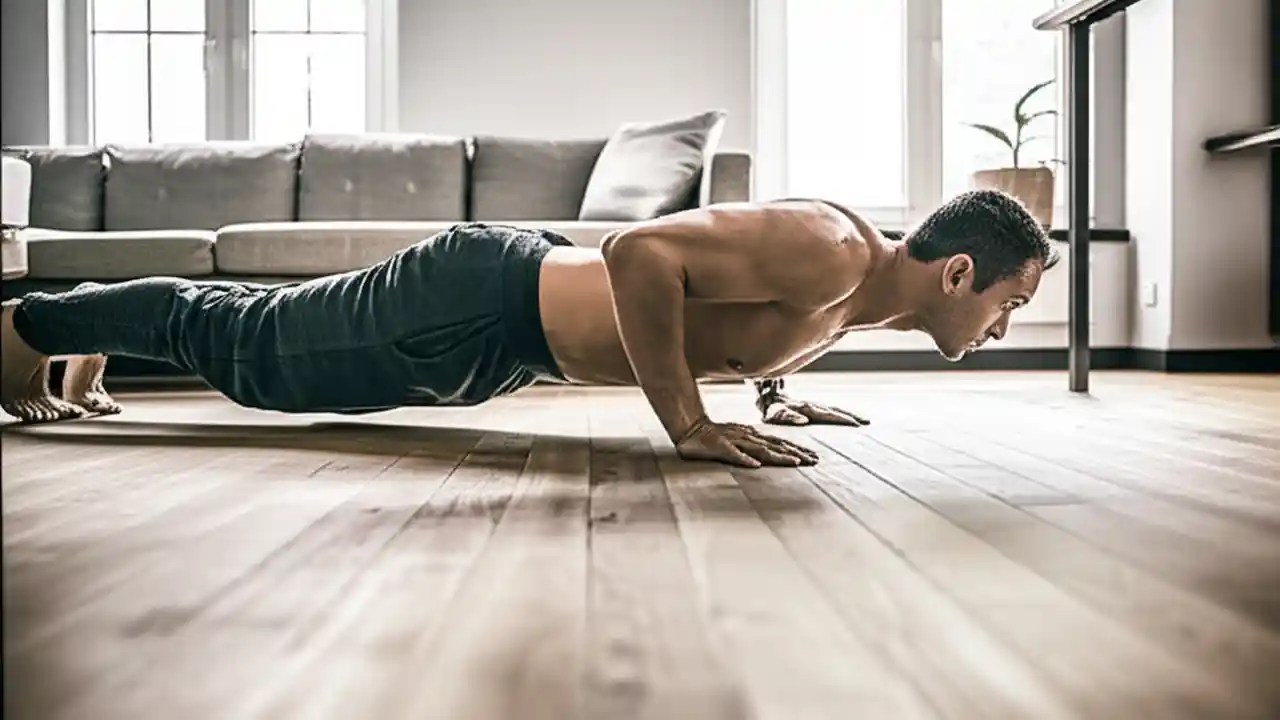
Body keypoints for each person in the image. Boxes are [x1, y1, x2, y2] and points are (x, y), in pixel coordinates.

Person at [0, 189, 1057, 468]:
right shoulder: (831, 248)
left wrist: (774, 392)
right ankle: (28, 323)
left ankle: (96, 330)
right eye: (1008, 303)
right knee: (259, 357)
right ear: (957, 272)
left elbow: (744, 318)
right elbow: (638, 254)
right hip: (477, 304)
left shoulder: (860, 294)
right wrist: (688, 425)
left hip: (499, 344)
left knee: (263, 339)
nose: (1004, 328)